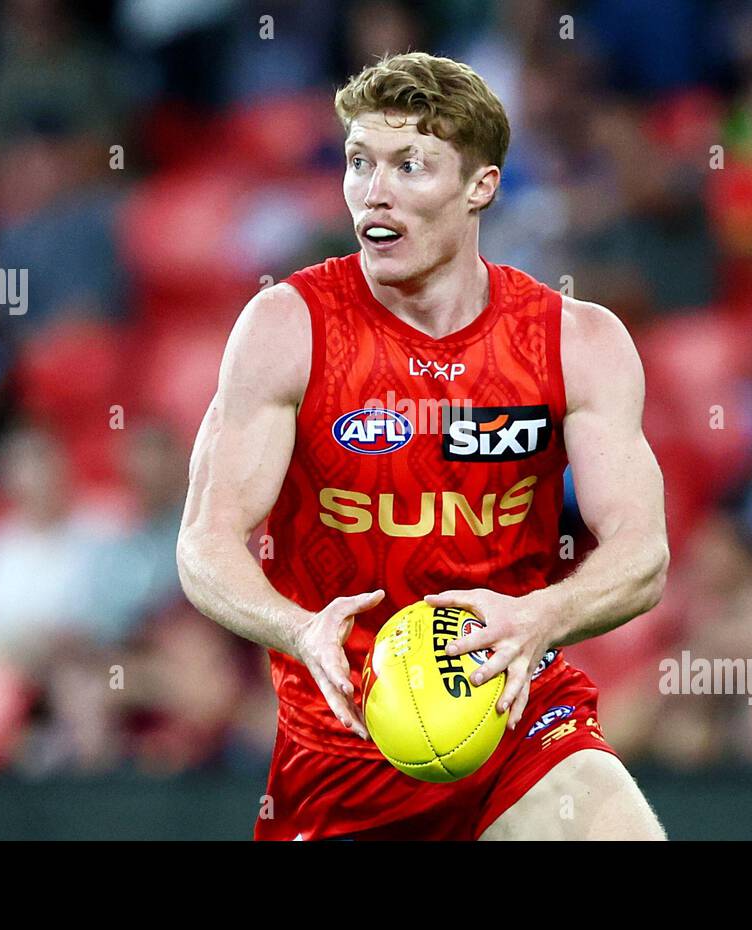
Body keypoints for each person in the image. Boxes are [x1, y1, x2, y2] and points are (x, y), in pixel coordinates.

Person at [177, 51, 669, 840]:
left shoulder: (577, 342)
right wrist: (296, 628)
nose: (376, 190)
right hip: (344, 749)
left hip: (512, 709)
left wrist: (543, 616)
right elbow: (205, 543)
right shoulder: (288, 327)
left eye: (411, 165)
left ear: (481, 185)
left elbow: (642, 553)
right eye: (359, 162)